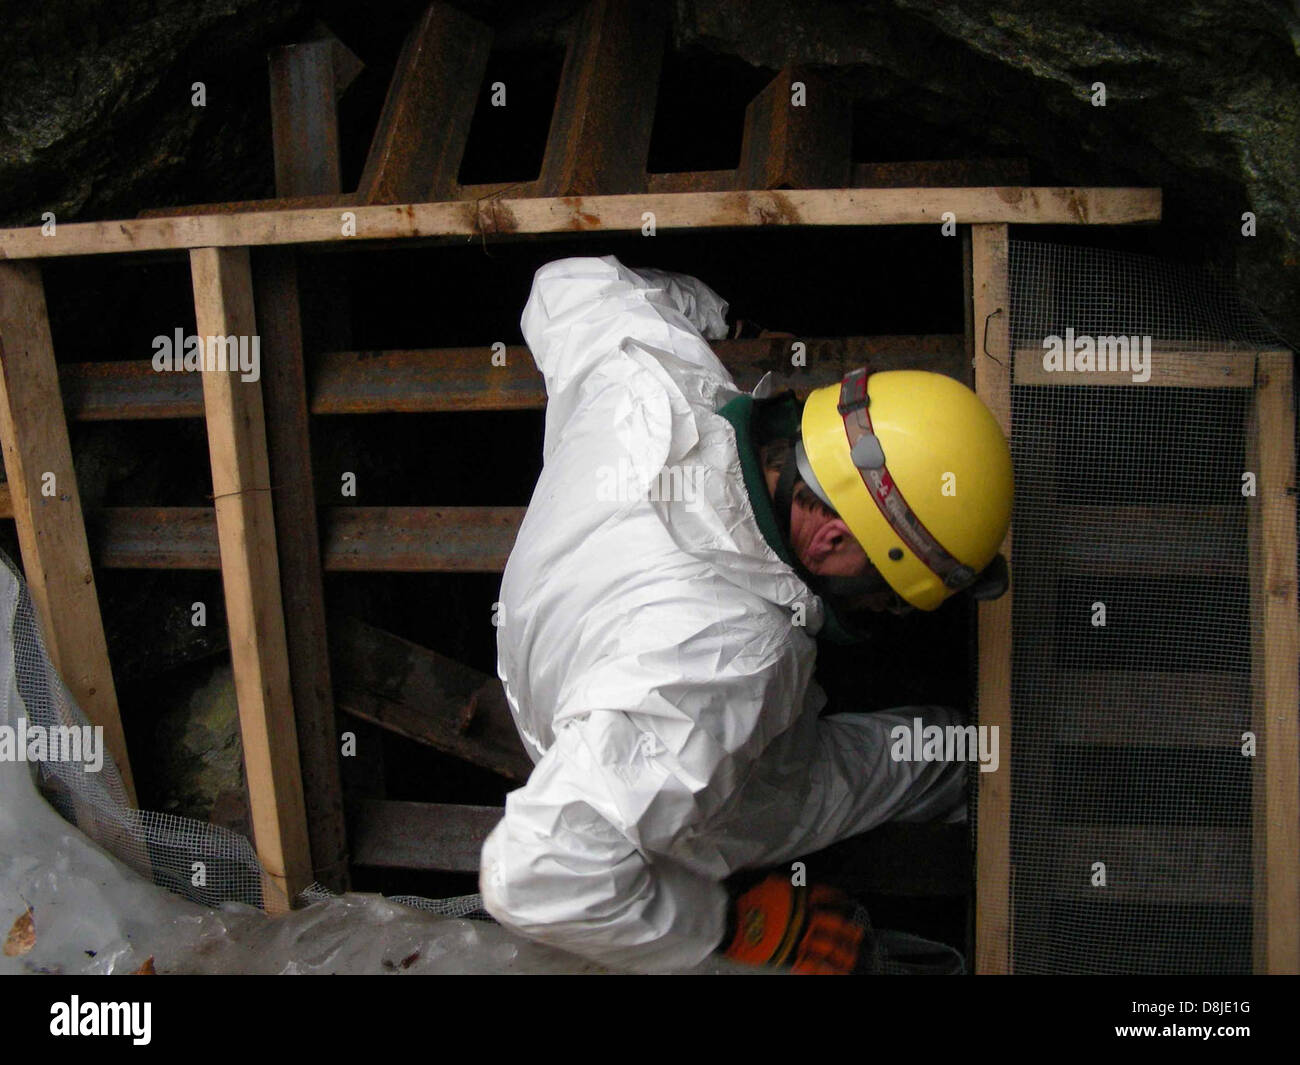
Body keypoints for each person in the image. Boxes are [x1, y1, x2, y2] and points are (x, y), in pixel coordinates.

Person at [479, 255, 1012, 973]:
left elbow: (566, 282)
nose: (891, 611)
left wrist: (718, 318)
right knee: (934, 755)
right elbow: (538, 875)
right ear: (830, 537)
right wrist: (724, 931)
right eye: (892, 590)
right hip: (626, 746)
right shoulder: (734, 663)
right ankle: (974, 772)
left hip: (545, 642)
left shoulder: (663, 376)